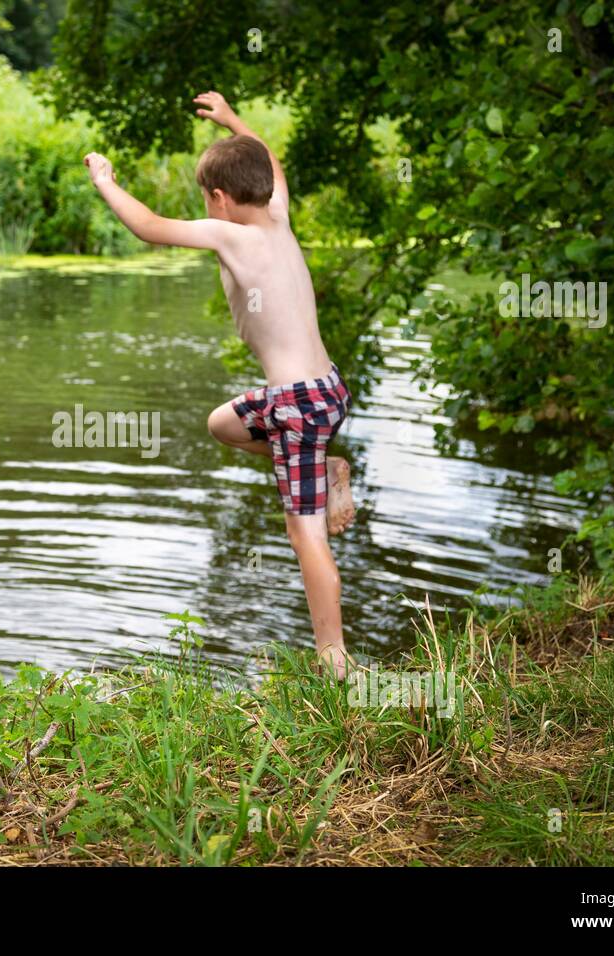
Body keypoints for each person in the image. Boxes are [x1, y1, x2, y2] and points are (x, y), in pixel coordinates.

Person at [84, 90, 358, 679]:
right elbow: (272, 161)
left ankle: (335, 662)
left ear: (217, 198)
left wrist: (106, 181)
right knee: (223, 423)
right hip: (327, 391)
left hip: (295, 407)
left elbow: (150, 227)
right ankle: (328, 467)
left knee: (304, 534)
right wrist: (233, 121)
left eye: (208, 202)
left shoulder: (232, 234)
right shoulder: (277, 215)